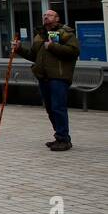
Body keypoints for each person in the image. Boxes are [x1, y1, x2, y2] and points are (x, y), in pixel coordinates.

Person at [12, 9, 80, 152]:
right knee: (50, 108)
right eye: (44, 15)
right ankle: (60, 136)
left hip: (59, 77)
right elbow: (33, 55)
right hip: (44, 77)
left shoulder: (66, 33)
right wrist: (19, 49)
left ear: (57, 18)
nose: (46, 17)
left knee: (58, 108)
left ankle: (63, 139)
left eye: (49, 15)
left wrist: (53, 46)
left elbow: (74, 52)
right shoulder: (40, 35)